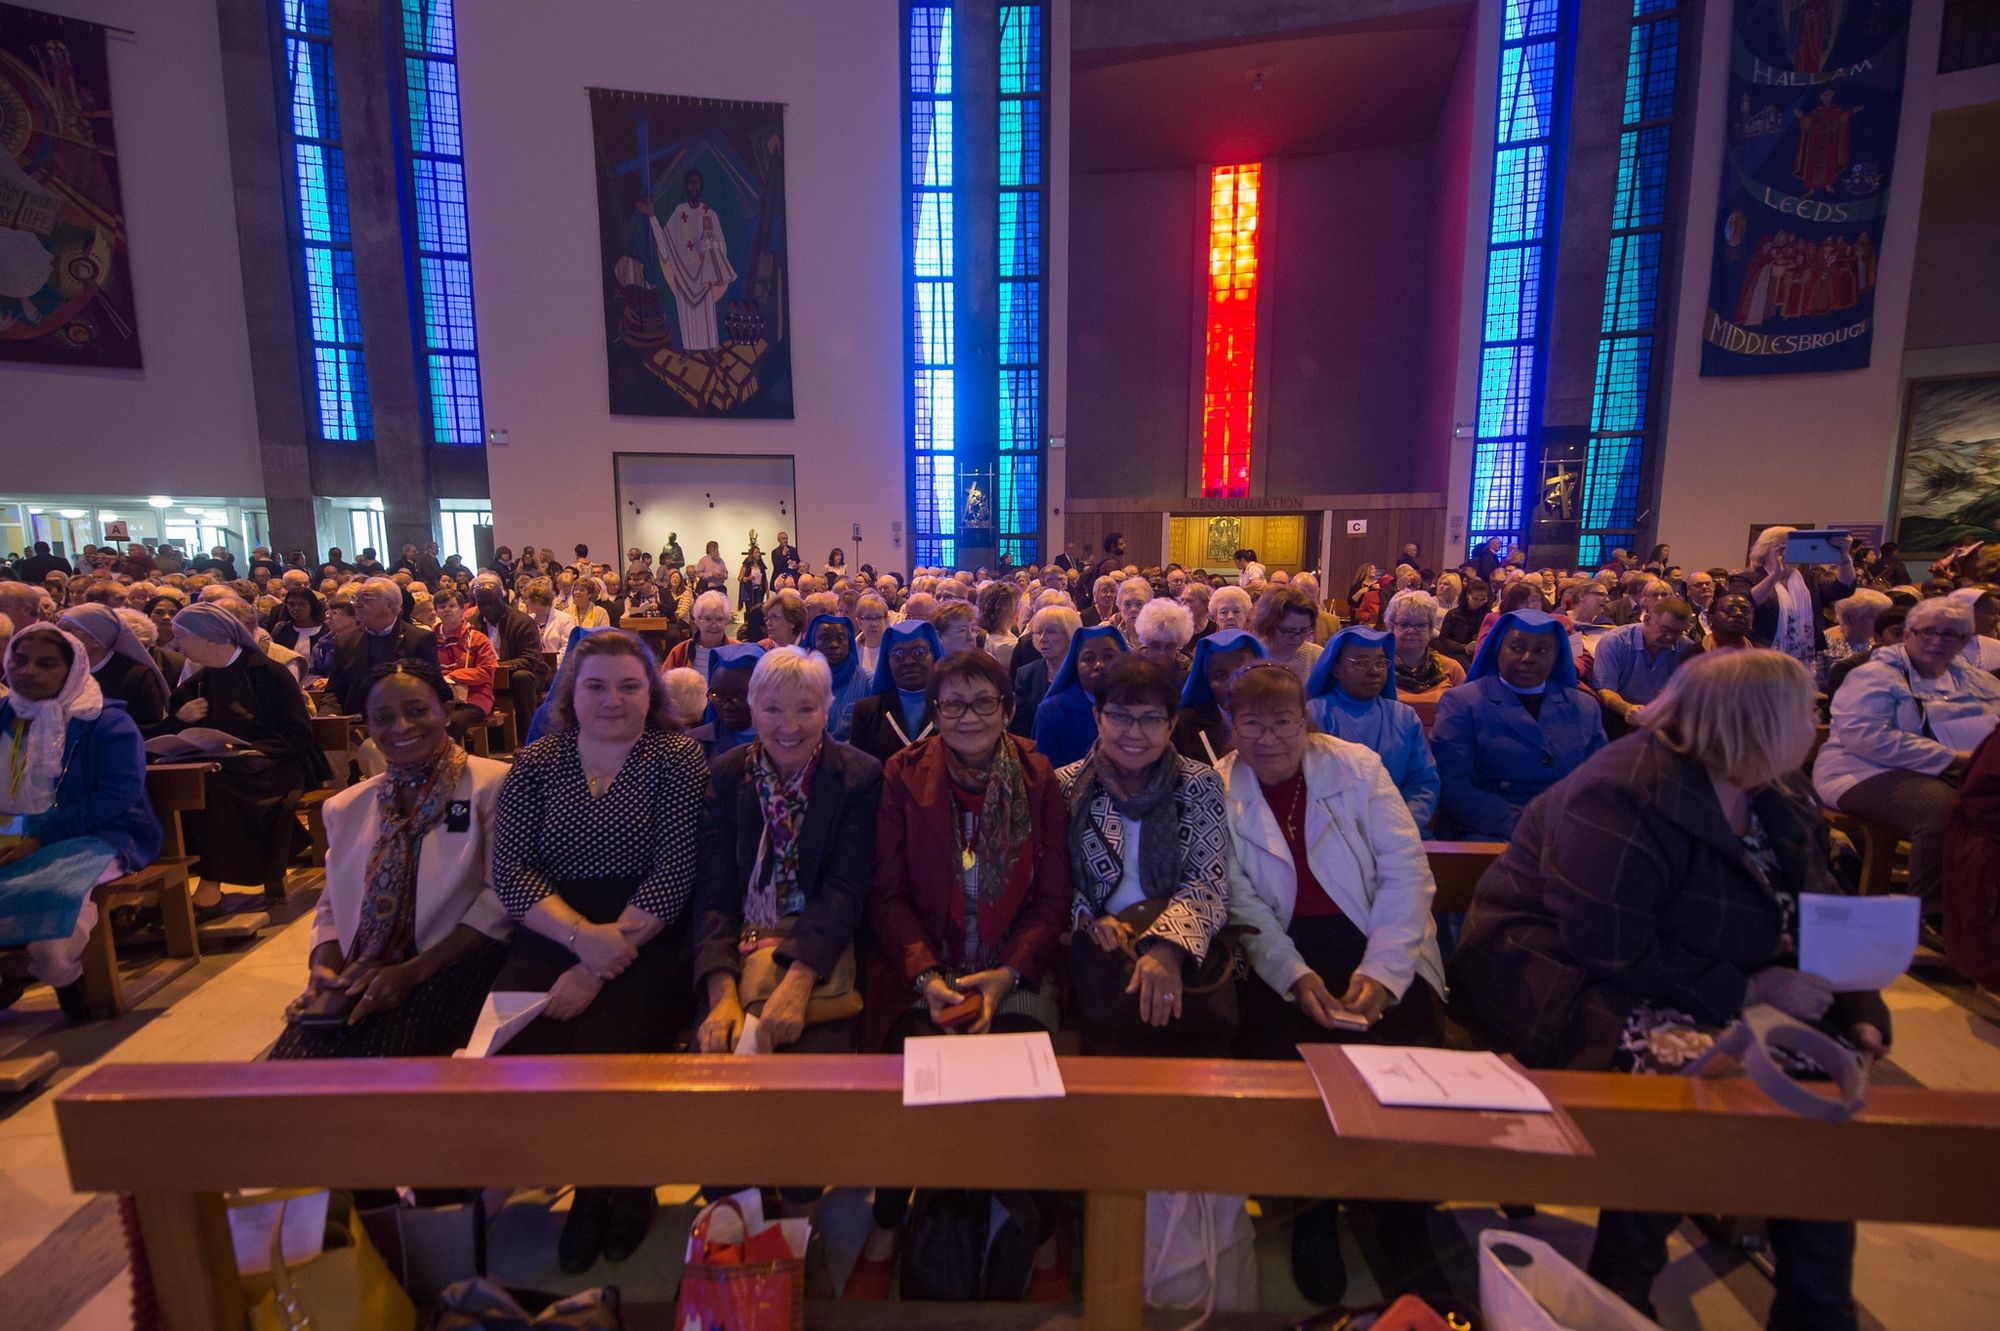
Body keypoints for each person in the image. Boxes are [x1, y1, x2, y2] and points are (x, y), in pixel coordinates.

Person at [1450, 650, 1888, 1329]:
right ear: (1754, 723)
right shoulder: (1623, 791)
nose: (1817, 724)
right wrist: (1753, 988)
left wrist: (1859, 1005)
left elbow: (1822, 900)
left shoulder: (1779, 788)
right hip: (1568, 977)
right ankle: (1623, 1282)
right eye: (1806, 712)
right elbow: (1608, 941)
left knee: (1817, 1091)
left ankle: (1817, 1308)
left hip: (1701, 974)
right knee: (1695, 1080)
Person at [1214, 662, 1446, 1304]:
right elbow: (1240, 900)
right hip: (1284, 950)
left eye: (1282, 721)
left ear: (1305, 720)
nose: (1268, 738)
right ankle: (1312, 1214)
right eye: (1251, 723)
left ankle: (1404, 1225)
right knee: (1292, 1066)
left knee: (1404, 1064)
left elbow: (1406, 872)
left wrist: (1385, 971)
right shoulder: (1219, 787)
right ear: (1232, 725)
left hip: (1375, 934)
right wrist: (1293, 975)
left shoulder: (1358, 768)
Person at [851, 650, 1073, 1299]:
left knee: (1022, 1085)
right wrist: (927, 977)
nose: (968, 716)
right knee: (911, 1077)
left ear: (1008, 709)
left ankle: (1043, 1239)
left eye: (983, 702)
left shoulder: (1038, 777)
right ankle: (887, 1225)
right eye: (953, 704)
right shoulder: (902, 774)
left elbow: (1052, 899)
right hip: (928, 967)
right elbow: (888, 894)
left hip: (1013, 967)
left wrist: (1008, 973)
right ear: (936, 712)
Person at [489, 631, 708, 1271]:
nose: (613, 699)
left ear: (651, 693)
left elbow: (674, 871)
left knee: (613, 1049)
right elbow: (512, 871)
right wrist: (581, 942)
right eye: (596, 686)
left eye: (629, 686)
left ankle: (623, 1185)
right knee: (523, 1049)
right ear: (570, 693)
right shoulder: (538, 761)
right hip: (553, 926)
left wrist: (596, 966)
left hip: (650, 933)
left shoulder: (676, 758)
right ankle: (587, 1174)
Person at [270, 662, 511, 1058]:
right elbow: (331, 906)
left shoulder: (495, 785)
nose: (400, 726)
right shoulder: (348, 806)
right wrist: (324, 967)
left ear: (446, 712)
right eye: (383, 717)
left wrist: (413, 972)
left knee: (379, 1058)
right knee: (292, 1067)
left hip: (459, 959)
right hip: (367, 966)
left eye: (416, 710)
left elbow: (501, 897)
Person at [694, 646, 880, 1063]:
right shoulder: (727, 774)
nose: (789, 727)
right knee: (715, 1067)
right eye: (773, 709)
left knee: (809, 1074)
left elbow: (846, 888)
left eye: (806, 709)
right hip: (739, 946)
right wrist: (722, 993)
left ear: (827, 710)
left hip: (822, 948)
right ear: (754, 709)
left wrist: (798, 983)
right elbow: (714, 891)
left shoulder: (859, 775)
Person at [1054, 655, 1231, 1057]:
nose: (1134, 733)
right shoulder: (1066, 785)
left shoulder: (1198, 783)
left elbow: (1208, 880)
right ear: (1098, 717)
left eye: (1150, 719)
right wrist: (1088, 919)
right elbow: (1056, 877)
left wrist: (1168, 948)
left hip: (1185, 948)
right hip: (1098, 952)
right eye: (1119, 716)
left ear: (1171, 723)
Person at [0, 627, 162, 1020]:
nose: (28, 671)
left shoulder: (104, 721)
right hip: (12, 833)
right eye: (19, 660)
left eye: (46, 664)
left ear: (72, 669)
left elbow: (117, 795)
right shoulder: (5, 716)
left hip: (97, 833)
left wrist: (41, 837)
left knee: (52, 891)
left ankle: (66, 977)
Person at [1814, 597, 2000, 918]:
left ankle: (1979, 909)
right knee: (1944, 811)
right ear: (1908, 634)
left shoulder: (1979, 680)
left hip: (1947, 770)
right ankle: (1929, 915)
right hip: (1861, 770)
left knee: (1987, 803)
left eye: (1949, 634)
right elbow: (1867, 738)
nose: (1936, 641)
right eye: (1927, 632)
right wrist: (1953, 758)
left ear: (1964, 642)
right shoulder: (1873, 675)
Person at [167, 603, 329, 907]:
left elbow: (298, 735)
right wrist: (179, 721)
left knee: (213, 788)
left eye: (181, 636)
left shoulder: (268, 673)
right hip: (226, 767)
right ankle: (166, 887)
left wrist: (250, 749)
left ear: (210, 637)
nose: (176, 644)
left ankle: (210, 885)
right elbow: (175, 731)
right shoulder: (199, 682)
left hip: (277, 766)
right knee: (173, 787)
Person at [1431, 609, 1606, 839]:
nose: (1527, 657)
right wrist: (1526, 827)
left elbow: (1598, 781)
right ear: (1497, 649)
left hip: (1568, 831)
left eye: (1541, 650)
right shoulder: (1462, 703)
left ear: (1556, 656)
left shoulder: (1584, 706)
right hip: (1490, 833)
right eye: (1516, 648)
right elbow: (1454, 785)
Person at [1304, 629, 1441, 828]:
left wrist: (1402, 824)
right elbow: (1310, 787)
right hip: (1334, 830)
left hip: (1401, 826)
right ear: (1336, 669)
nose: (1374, 671)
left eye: (1380, 662)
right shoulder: (1315, 715)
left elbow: (1423, 782)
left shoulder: (1404, 716)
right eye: (1361, 663)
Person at [325, 577, 441, 716]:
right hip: (356, 719)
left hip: (404, 718)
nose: (356, 604)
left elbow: (434, 688)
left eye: (366, 598)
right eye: (355, 598)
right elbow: (334, 691)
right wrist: (330, 715)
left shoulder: (419, 639)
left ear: (390, 605)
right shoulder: (345, 640)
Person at [1742, 525, 1854, 666]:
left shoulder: (1810, 579)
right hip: (1763, 660)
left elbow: (1844, 589)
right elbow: (1748, 602)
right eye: (1785, 546)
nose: (1791, 552)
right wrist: (1775, 575)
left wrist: (1844, 556)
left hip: (1805, 663)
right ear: (1766, 549)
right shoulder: (1747, 579)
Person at [1588, 596, 1700, 732]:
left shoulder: (1686, 647)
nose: (1670, 637)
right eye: (1666, 629)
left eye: (1678, 632)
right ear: (1647, 620)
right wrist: (1627, 708)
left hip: (1665, 720)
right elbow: (1605, 690)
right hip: (1619, 717)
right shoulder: (1615, 641)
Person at [58, 603, 171, 737]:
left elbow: (148, 729)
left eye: (68, 630)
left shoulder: (137, 676)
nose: (59, 636)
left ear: (96, 639)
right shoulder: (59, 670)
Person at [1031, 623, 1126, 767]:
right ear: (1075, 665)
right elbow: (1047, 770)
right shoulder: (1052, 711)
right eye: (1088, 658)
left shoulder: (1140, 705)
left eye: (1108, 656)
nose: (1099, 664)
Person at [848, 620, 943, 763]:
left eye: (919, 652)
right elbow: (858, 768)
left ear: (934, 655)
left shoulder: (950, 707)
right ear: (887, 661)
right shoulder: (867, 711)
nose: (909, 661)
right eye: (898, 654)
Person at [1171, 628, 1264, 765]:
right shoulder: (1184, 726)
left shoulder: (1279, 718)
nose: (1233, 683)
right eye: (1221, 676)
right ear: (1207, 681)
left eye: (1242, 672)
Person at [432, 589, 497, 743]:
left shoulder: (477, 638)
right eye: (442, 607)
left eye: (452, 606)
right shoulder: (429, 638)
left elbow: (487, 670)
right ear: (436, 611)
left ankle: (445, 756)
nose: (447, 610)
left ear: (462, 610)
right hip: (440, 697)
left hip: (474, 696)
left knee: (452, 722)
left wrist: (453, 676)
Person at [1010, 603, 1076, 740]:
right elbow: (1020, 729)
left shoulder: (1083, 675)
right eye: (1039, 632)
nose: (1042, 638)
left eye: (1051, 631)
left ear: (1070, 634)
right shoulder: (1026, 675)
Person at [1382, 590, 1463, 702]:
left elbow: (1465, 709)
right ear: (1391, 627)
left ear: (1430, 629)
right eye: (1404, 625)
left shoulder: (1452, 668)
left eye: (1420, 625)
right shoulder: (1380, 667)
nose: (1412, 631)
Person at [803, 613, 870, 742]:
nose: (834, 644)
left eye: (841, 638)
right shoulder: (798, 680)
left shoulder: (866, 681)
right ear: (812, 641)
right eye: (825, 638)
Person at [699, 642, 765, 763]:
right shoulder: (696, 744)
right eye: (718, 695)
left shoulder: (787, 742)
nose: (727, 706)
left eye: (740, 697)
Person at [663, 590, 733, 675]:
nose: (714, 625)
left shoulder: (738, 651)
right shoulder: (680, 652)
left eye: (719, 619)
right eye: (708, 619)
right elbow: (663, 681)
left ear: (727, 622)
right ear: (697, 621)